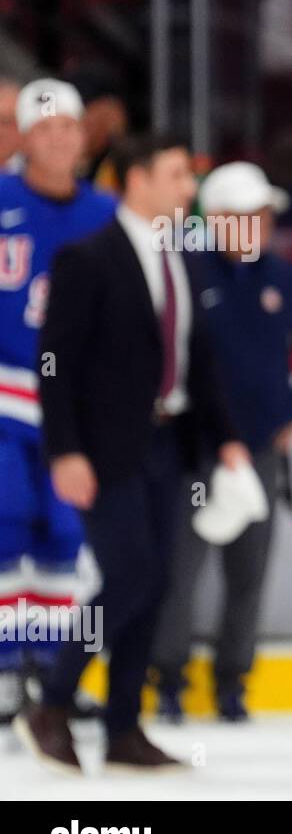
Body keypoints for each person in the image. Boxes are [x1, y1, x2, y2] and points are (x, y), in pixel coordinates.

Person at [16, 134, 249, 774]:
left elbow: (199, 362)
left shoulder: (183, 259)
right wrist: (65, 450)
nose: (188, 190)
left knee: (156, 582)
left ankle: (123, 726)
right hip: (104, 446)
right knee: (130, 573)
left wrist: (226, 439)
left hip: (169, 444)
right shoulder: (86, 258)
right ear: (137, 179)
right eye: (177, 175)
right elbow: (54, 365)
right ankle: (55, 701)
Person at [151, 162, 292, 723]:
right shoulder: (184, 273)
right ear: (217, 218)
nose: (260, 224)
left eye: (265, 214)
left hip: (258, 450)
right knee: (180, 568)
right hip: (193, 449)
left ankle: (233, 681)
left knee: (249, 571)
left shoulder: (287, 279)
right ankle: (169, 679)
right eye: (247, 214)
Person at [0, 79, 115, 723]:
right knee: (6, 522)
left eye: (69, 127)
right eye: (45, 129)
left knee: (66, 535)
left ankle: (49, 668)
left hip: (72, 403)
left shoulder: (103, 212)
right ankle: (5, 664)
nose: (59, 138)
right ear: (24, 136)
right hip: (5, 393)